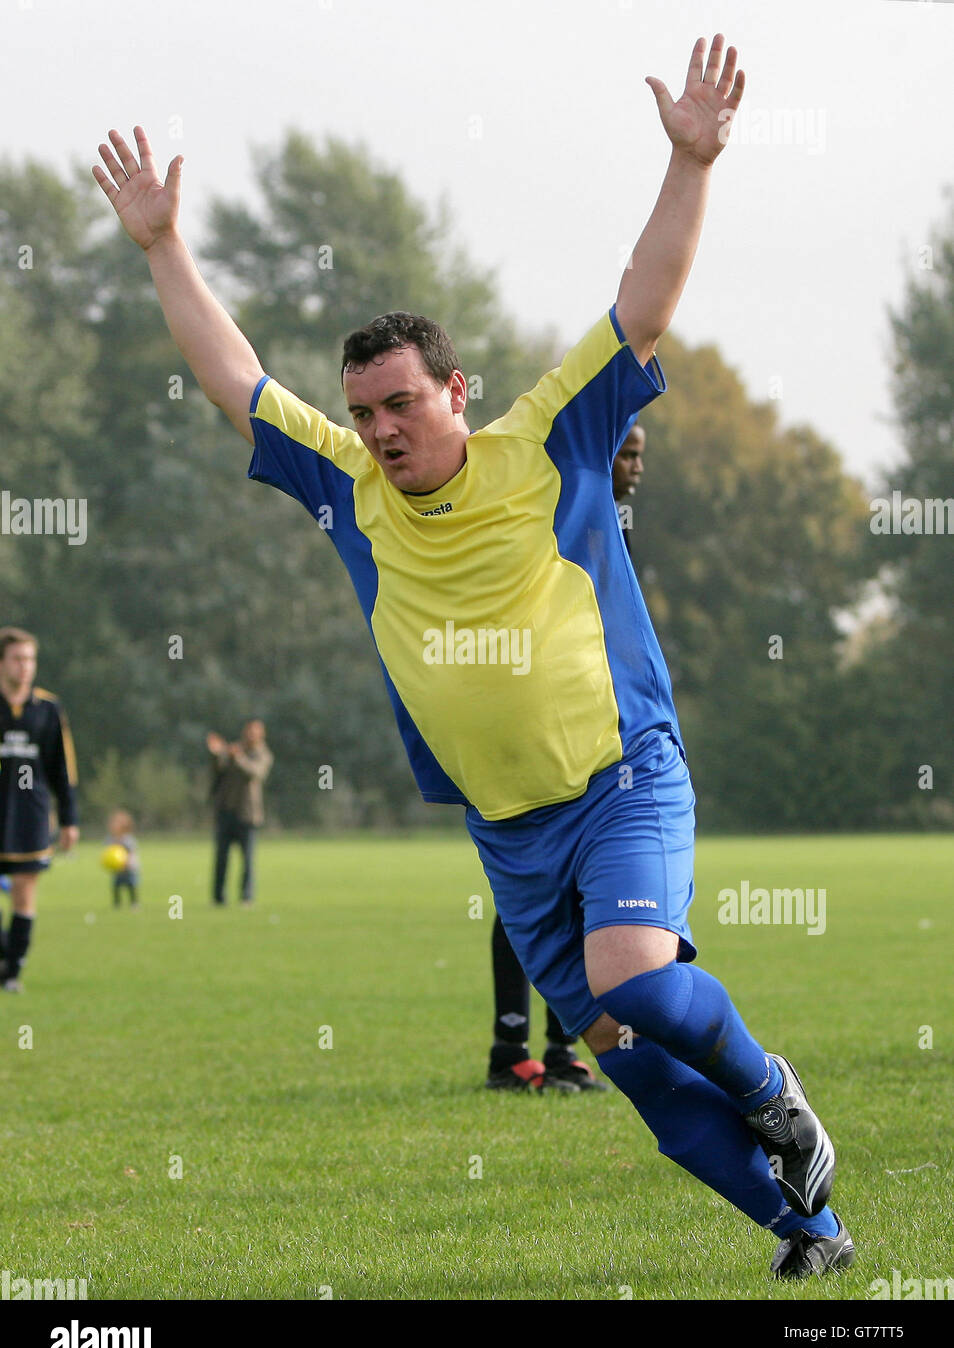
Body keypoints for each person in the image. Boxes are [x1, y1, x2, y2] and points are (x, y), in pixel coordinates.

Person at [94, 35, 853, 1279]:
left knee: (643, 985)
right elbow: (237, 381)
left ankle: (777, 1090)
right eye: (365, 411)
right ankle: (809, 1233)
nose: (381, 428)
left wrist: (691, 161)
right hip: (509, 831)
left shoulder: (549, 435)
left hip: (620, 777)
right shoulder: (348, 490)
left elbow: (643, 302)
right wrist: (163, 246)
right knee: (649, 1088)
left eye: (402, 402)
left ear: (457, 389)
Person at [486, 425, 645, 1093]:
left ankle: (558, 1048)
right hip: (536, 729)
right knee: (527, 895)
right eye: (625, 452)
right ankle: (509, 1050)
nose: (635, 466)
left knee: (579, 897)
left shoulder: (616, 523)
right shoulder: (548, 512)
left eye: (640, 454)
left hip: (595, 733)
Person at [0, 627, 79, 992]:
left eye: (30, 659)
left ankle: (12, 972)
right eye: (17, 658)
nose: (25, 667)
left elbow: (62, 767)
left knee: (24, 891)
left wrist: (69, 819)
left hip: (30, 813)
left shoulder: (48, 708)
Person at [207, 720, 273, 905]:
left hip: (248, 814)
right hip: (226, 810)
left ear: (261, 735)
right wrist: (216, 753)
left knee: (248, 860)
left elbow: (255, 773)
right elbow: (218, 770)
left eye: (255, 732)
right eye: (248, 731)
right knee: (221, 858)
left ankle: (247, 897)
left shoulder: (264, 754)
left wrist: (238, 758)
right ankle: (218, 898)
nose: (250, 735)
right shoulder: (234, 749)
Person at [106, 808, 140, 908]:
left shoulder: (128, 840)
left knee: (131, 886)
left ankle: (134, 903)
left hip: (129, 868)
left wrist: (128, 862)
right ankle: (117, 904)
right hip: (117, 869)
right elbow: (108, 852)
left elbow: (131, 853)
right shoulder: (110, 839)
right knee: (116, 886)